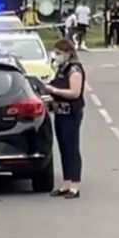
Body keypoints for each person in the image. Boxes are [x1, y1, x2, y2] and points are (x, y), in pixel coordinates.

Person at [44, 39, 86, 200]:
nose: (57, 56)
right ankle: (66, 183)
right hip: (60, 112)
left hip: (71, 114)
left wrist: (54, 90)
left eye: (59, 53)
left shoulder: (74, 70)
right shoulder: (62, 68)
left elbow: (75, 93)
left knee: (72, 149)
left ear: (68, 53)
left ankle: (75, 186)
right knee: (63, 148)